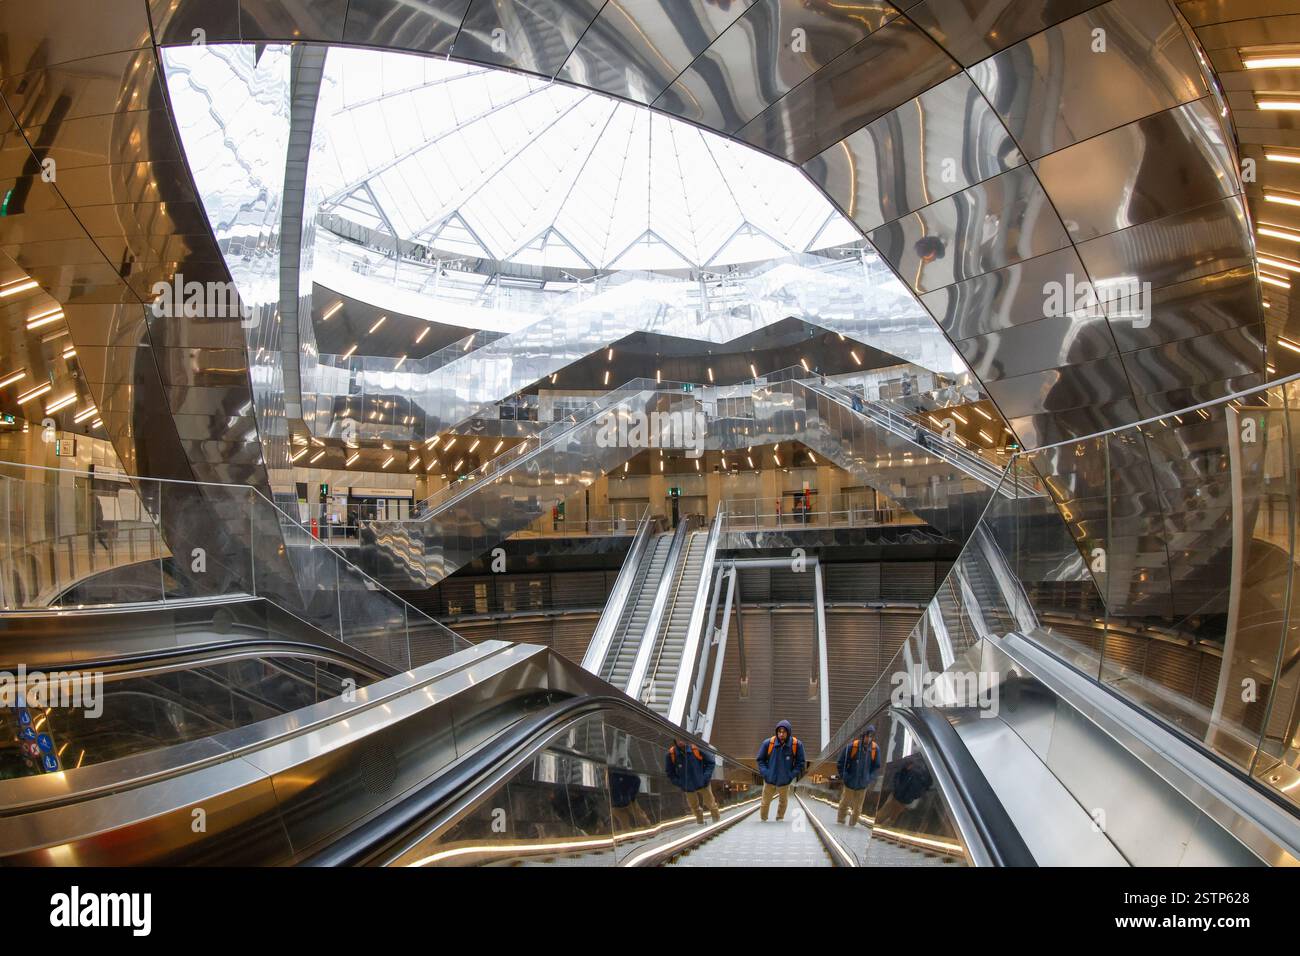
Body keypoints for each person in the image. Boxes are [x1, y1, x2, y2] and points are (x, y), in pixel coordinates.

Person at [756, 719, 805, 822]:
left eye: (784, 732)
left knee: (783, 802)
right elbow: (760, 760)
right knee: (765, 802)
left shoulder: (796, 744)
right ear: (777, 732)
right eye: (779, 732)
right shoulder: (768, 743)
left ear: (788, 732)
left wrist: (790, 775)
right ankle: (763, 819)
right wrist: (766, 773)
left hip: (784, 781)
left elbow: (800, 763)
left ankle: (780, 818)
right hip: (769, 780)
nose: (781, 734)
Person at [665, 739, 719, 825]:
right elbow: (670, 772)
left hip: (703, 783)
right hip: (688, 786)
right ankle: (700, 822)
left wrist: (705, 778)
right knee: (694, 807)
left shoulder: (695, 749)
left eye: (681, 738)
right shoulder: (671, 754)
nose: (680, 741)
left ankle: (717, 822)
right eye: (677, 739)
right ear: (675, 740)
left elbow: (711, 762)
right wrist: (680, 783)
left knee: (711, 804)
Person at [836, 725, 880, 827]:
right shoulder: (852, 747)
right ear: (862, 736)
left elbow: (876, 767)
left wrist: (869, 779)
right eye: (866, 736)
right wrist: (845, 777)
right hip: (850, 783)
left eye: (870, 737)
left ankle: (852, 824)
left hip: (863, 785)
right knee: (844, 804)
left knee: (858, 808)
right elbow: (841, 763)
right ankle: (840, 821)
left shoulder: (875, 749)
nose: (868, 739)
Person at [609, 765, 651, 832]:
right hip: (617, 804)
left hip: (627, 802)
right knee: (625, 823)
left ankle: (648, 830)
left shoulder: (622, 772)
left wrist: (630, 796)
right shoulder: (612, 774)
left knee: (640, 818)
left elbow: (637, 780)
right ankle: (630, 836)